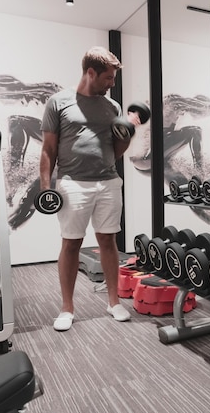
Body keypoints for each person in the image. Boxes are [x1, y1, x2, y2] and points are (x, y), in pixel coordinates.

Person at [40, 46, 141, 331]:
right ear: (91, 72)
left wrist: (128, 131)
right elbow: (48, 150)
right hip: (73, 182)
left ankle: (113, 302)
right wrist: (46, 188)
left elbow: (117, 150)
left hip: (108, 181)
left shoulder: (113, 107)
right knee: (71, 243)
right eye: (108, 79)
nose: (111, 85)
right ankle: (67, 308)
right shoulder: (58, 102)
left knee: (109, 241)